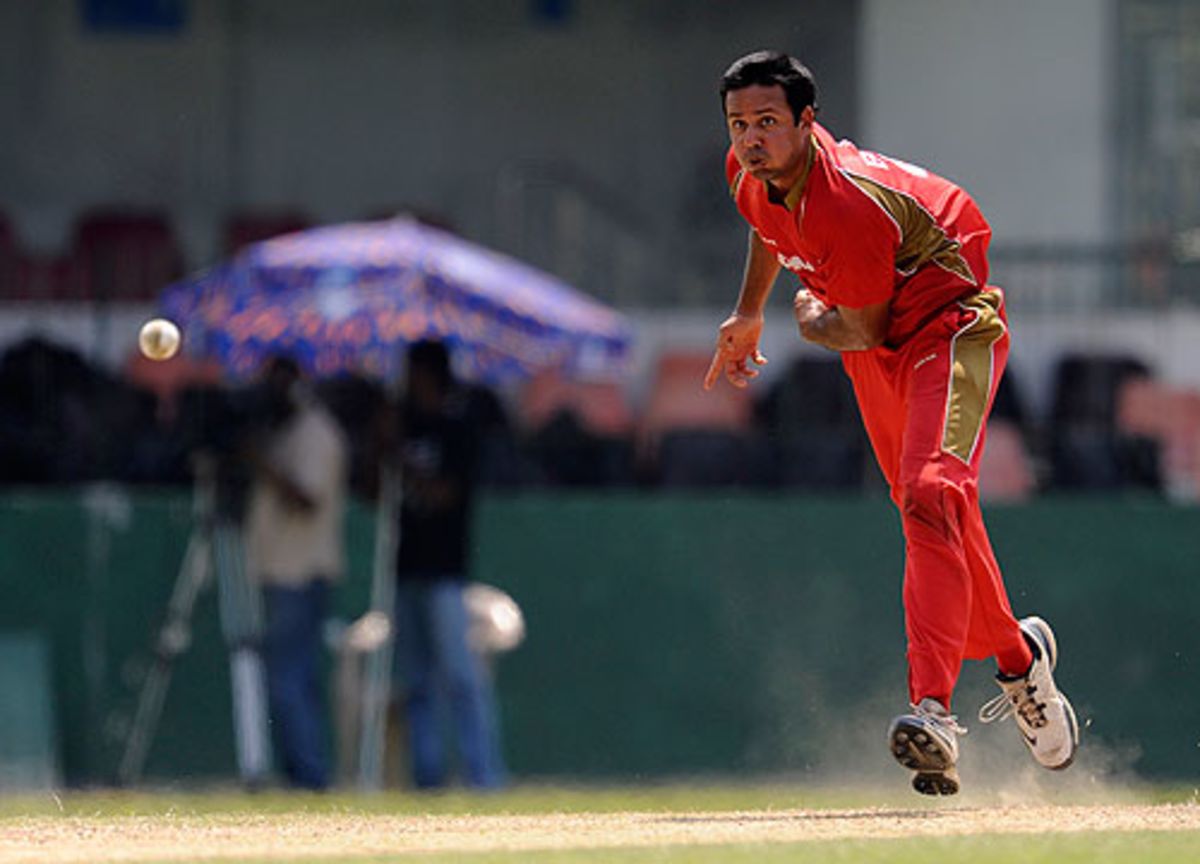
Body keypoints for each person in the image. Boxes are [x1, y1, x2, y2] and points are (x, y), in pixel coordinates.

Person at [705, 51, 1079, 795]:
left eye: (768, 122)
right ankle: (1018, 661)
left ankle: (933, 712)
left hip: (949, 327)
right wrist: (748, 312)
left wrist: (808, 324)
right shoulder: (750, 172)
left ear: (808, 122)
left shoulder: (849, 203)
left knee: (932, 494)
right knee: (933, 509)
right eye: (739, 124)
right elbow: (766, 223)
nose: (751, 139)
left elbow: (859, 327)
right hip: (877, 342)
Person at [392, 339, 506, 790]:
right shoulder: (403, 425)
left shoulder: (458, 428)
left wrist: (403, 464)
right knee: (416, 682)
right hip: (405, 569)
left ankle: (484, 776)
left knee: (461, 677)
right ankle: (428, 780)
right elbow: (373, 490)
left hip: (444, 571)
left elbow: (446, 494)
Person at [244, 355, 348, 790]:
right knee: (291, 675)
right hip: (279, 569)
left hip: (301, 572)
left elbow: (308, 498)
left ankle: (308, 775)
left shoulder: (316, 433)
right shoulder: (285, 431)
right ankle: (300, 771)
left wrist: (262, 464)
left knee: (290, 676)